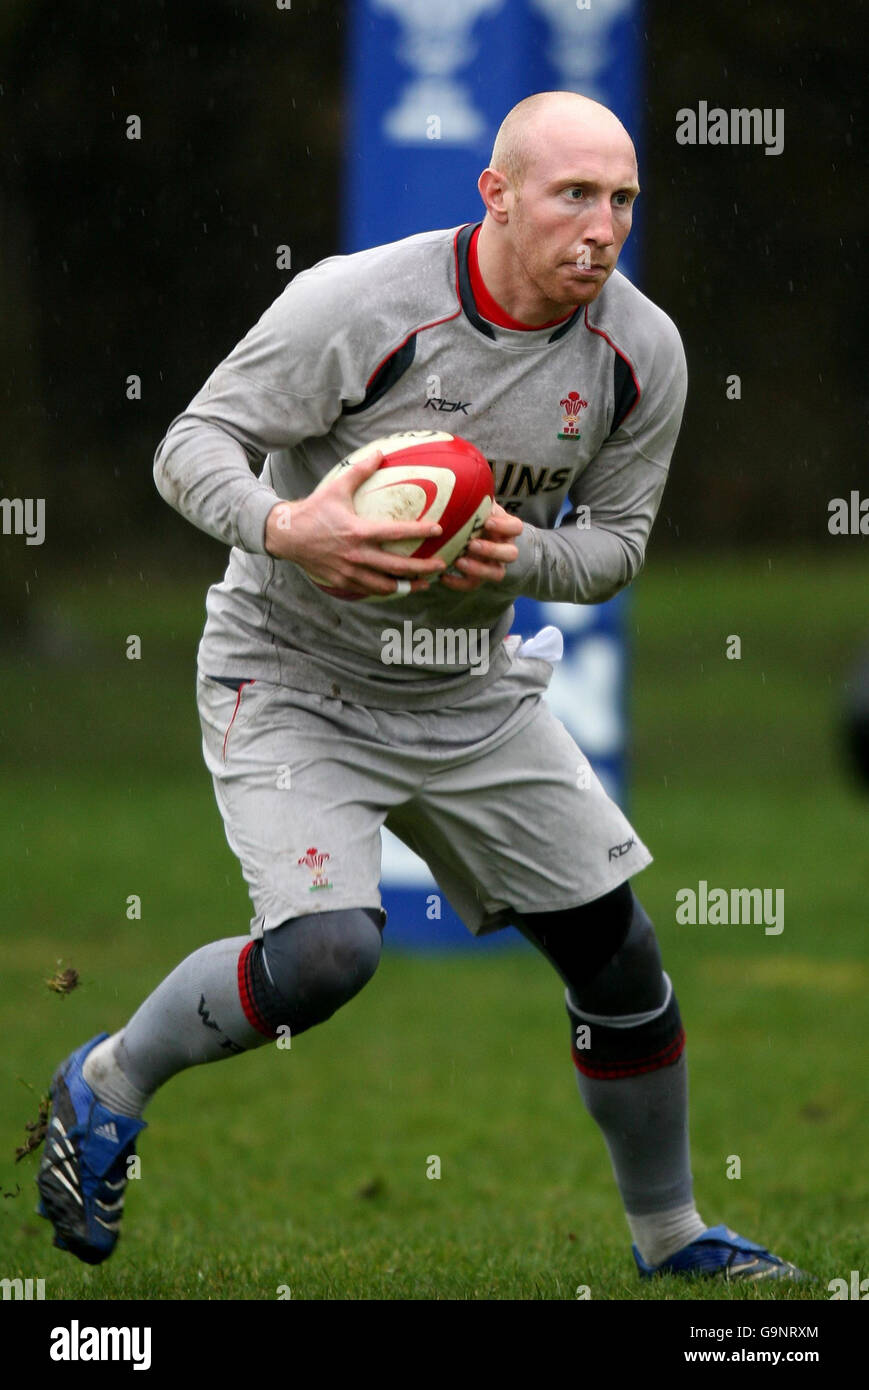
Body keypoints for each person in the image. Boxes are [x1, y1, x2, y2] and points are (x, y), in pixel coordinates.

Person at [37, 91, 804, 1285]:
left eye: (621, 201)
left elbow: (615, 543)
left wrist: (526, 555)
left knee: (620, 962)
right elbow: (189, 443)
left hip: (465, 688)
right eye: (571, 196)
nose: (600, 228)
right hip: (290, 672)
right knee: (325, 958)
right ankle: (108, 1080)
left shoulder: (639, 351)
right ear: (494, 194)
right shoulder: (356, 304)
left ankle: (673, 1239)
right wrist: (289, 526)